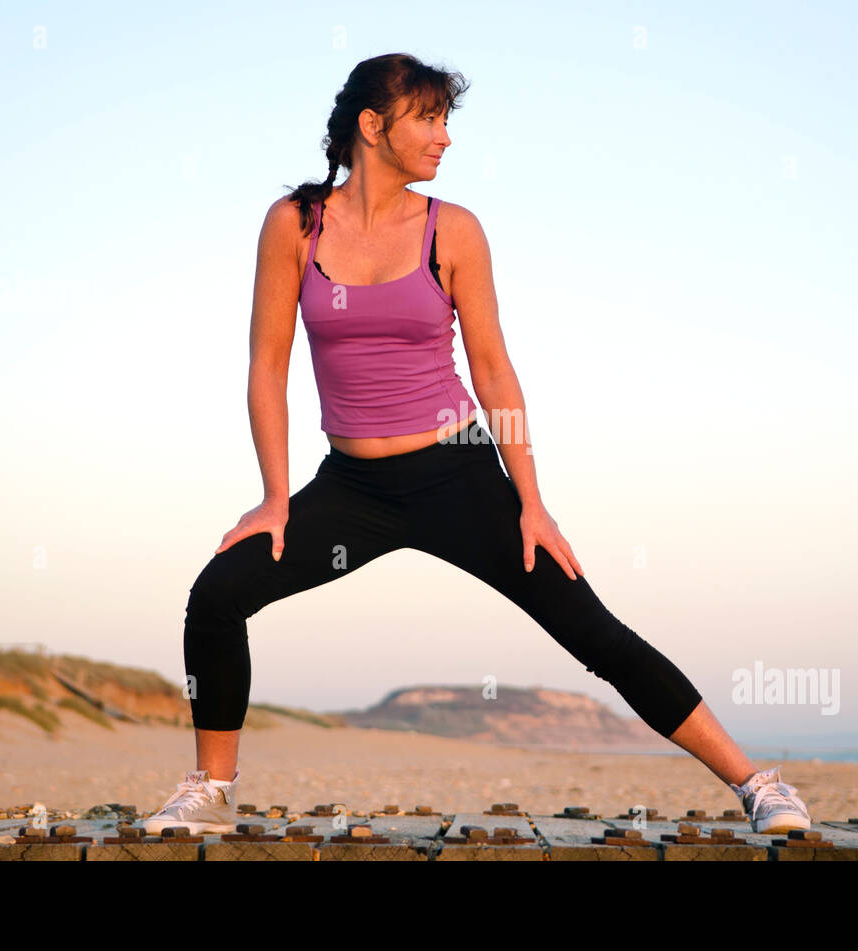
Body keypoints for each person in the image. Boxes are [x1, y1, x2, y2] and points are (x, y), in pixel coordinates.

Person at [143, 53, 810, 837]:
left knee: (591, 629)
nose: (444, 138)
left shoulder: (451, 230)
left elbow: (494, 370)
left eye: (446, 120)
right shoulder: (295, 223)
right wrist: (276, 496)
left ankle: (758, 782)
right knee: (218, 594)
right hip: (350, 489)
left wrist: (531, 500)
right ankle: (212, 790)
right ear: (372, 125)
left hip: (456, 473)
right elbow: (266, 365)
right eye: (427, 118)